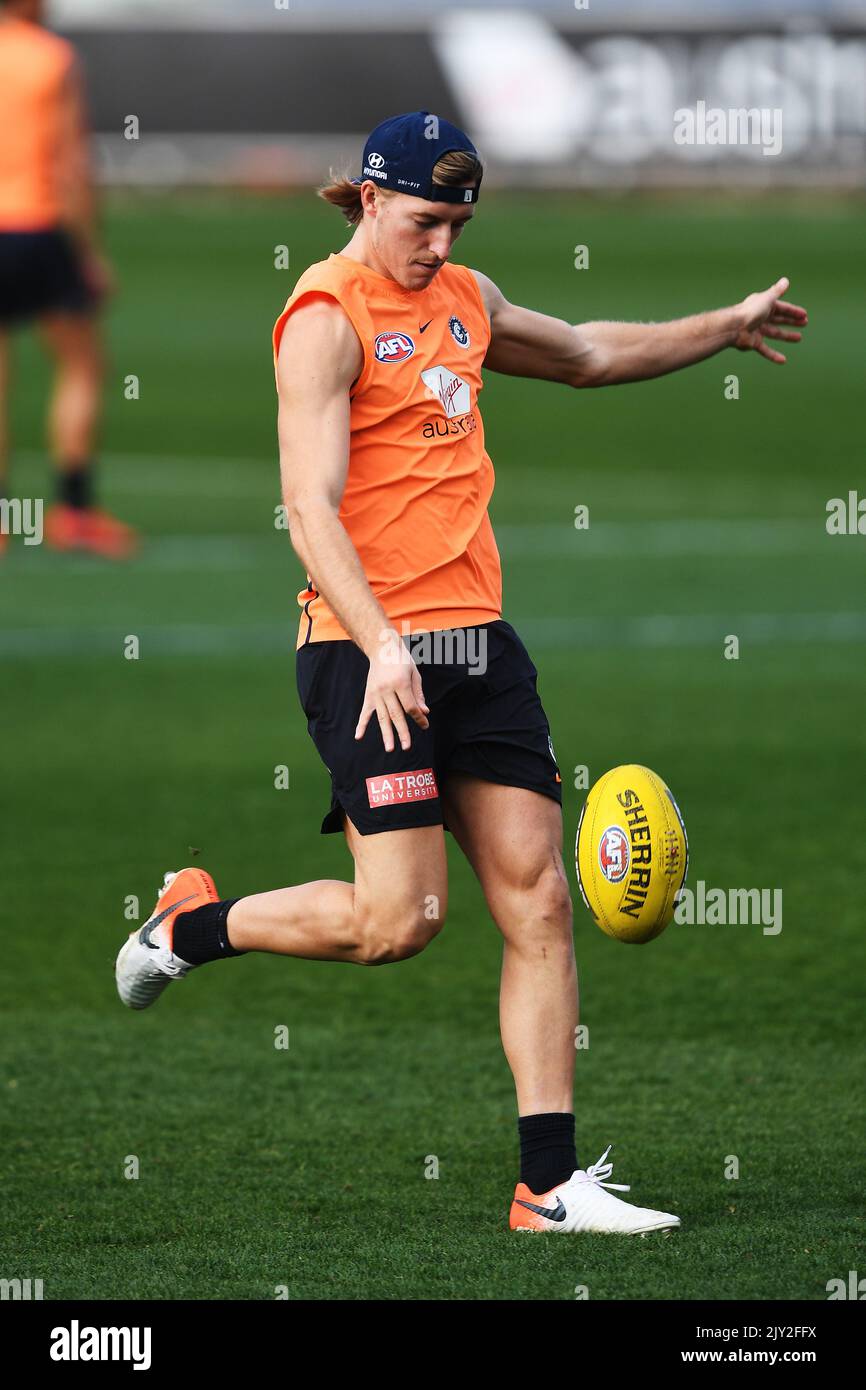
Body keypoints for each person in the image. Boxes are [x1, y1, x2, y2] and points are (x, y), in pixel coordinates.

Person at [116, 111, 807, 1235]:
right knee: (398, 923)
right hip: (362, 650)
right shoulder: (324, 320)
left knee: (535, 894)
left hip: (477, 642)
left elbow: (584, 352)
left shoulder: (464, 300)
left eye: (459, 223)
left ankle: (547, 1186)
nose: (441, 243)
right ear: (371, 200)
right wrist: (384, 641)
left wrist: (719, 328)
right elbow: (307, 505)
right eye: (426, 221)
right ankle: (190, 926)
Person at [0, 0, 135, 558]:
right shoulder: (52, 58)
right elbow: (71, 160)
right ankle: (73, 509)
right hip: (38, 226)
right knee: (81, 365)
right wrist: (89, 250)